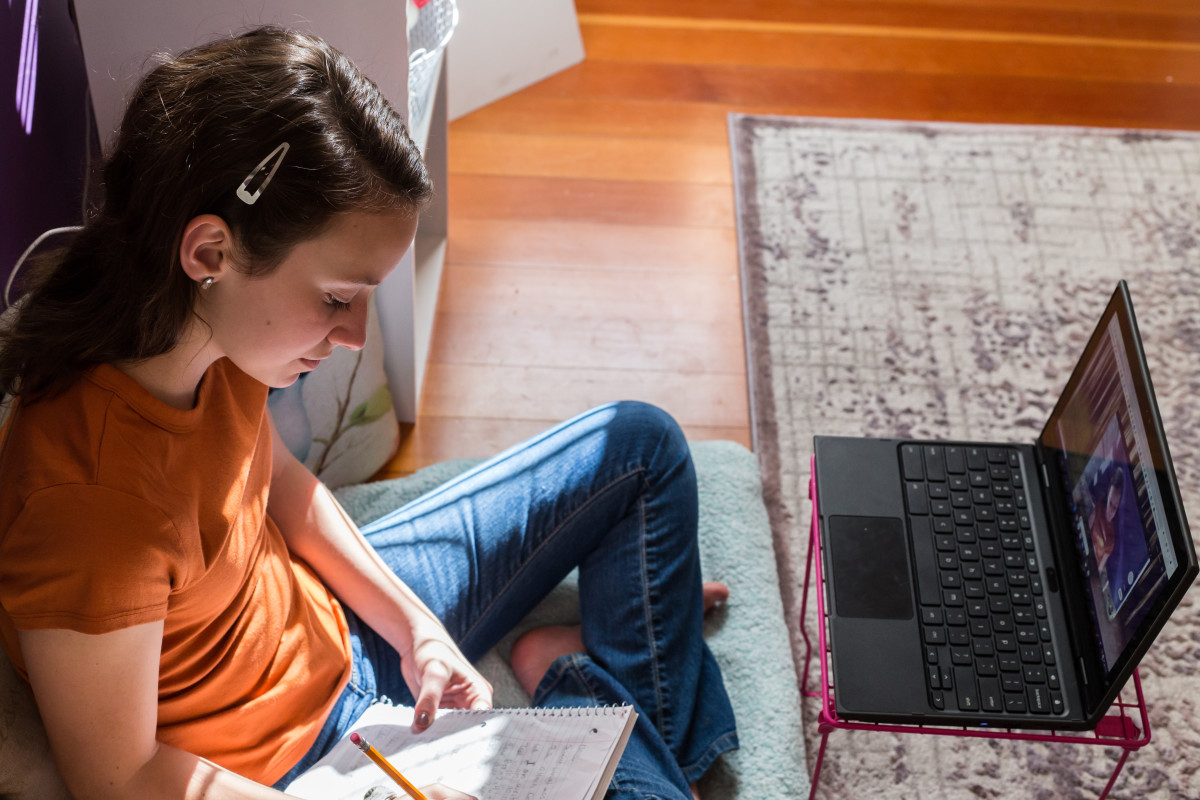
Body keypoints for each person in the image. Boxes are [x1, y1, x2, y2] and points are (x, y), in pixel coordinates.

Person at [0, 26, 737, 800]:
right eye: (336, 299)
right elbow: (119, 779)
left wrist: (418, 630)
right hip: (306, 767)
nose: (354, 337)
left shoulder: (211, 344)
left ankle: (586, 687)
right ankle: (581, 682)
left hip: (334, 634)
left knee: (637, 446)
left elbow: (280, 490)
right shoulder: (87, 505)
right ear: (210, 253)